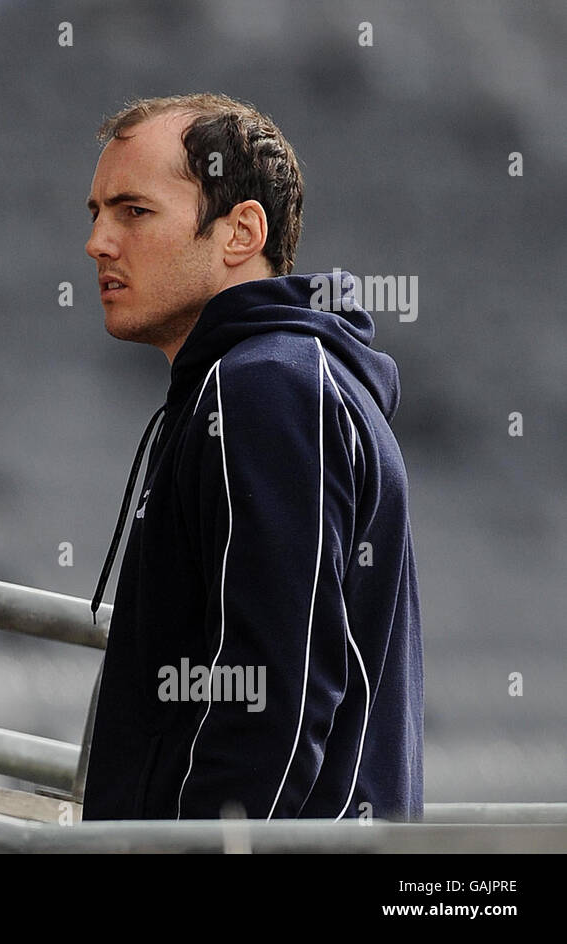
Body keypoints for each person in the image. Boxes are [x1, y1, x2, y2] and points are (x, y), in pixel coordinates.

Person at [80, 93, 423, 822]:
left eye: (134, 211)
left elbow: (276, 701)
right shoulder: (259, 382)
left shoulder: (267, 390)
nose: (98, 243)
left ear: (241, 232)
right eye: (96, 213)